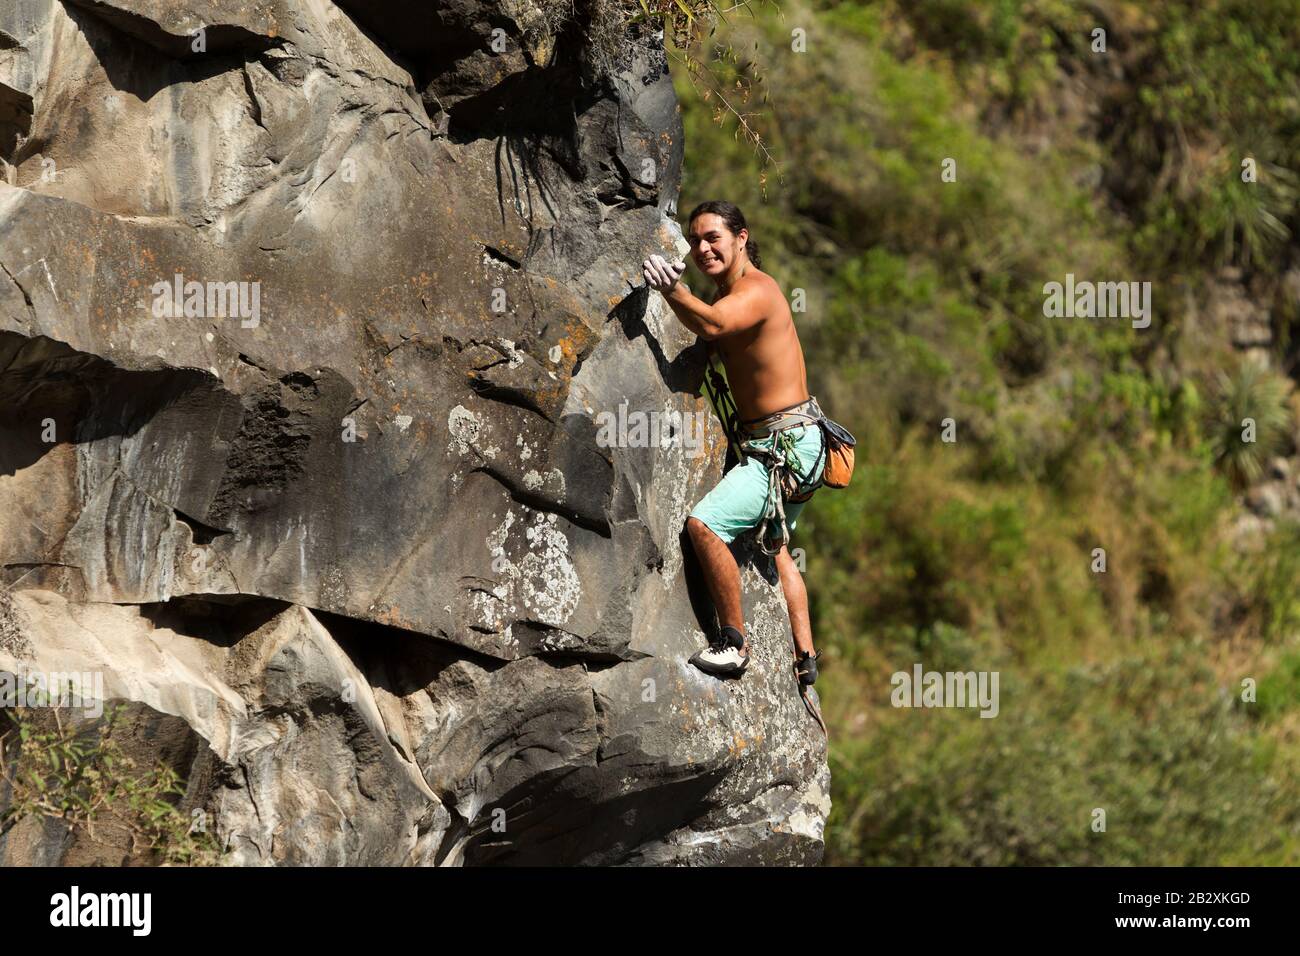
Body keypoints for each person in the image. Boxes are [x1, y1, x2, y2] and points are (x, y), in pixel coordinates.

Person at [643, 200, 823, 690]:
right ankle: (805, 655)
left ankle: (734, 645)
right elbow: (715, 330)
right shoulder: (734, 295)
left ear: (741, 238)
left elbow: (715, 325)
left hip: (784, 445)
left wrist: (671, 289)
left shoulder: (757, 291)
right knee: (776, 548)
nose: (703, 248)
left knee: (705, 525)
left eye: (713, 238)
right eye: (696, 240)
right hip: (800, 442)